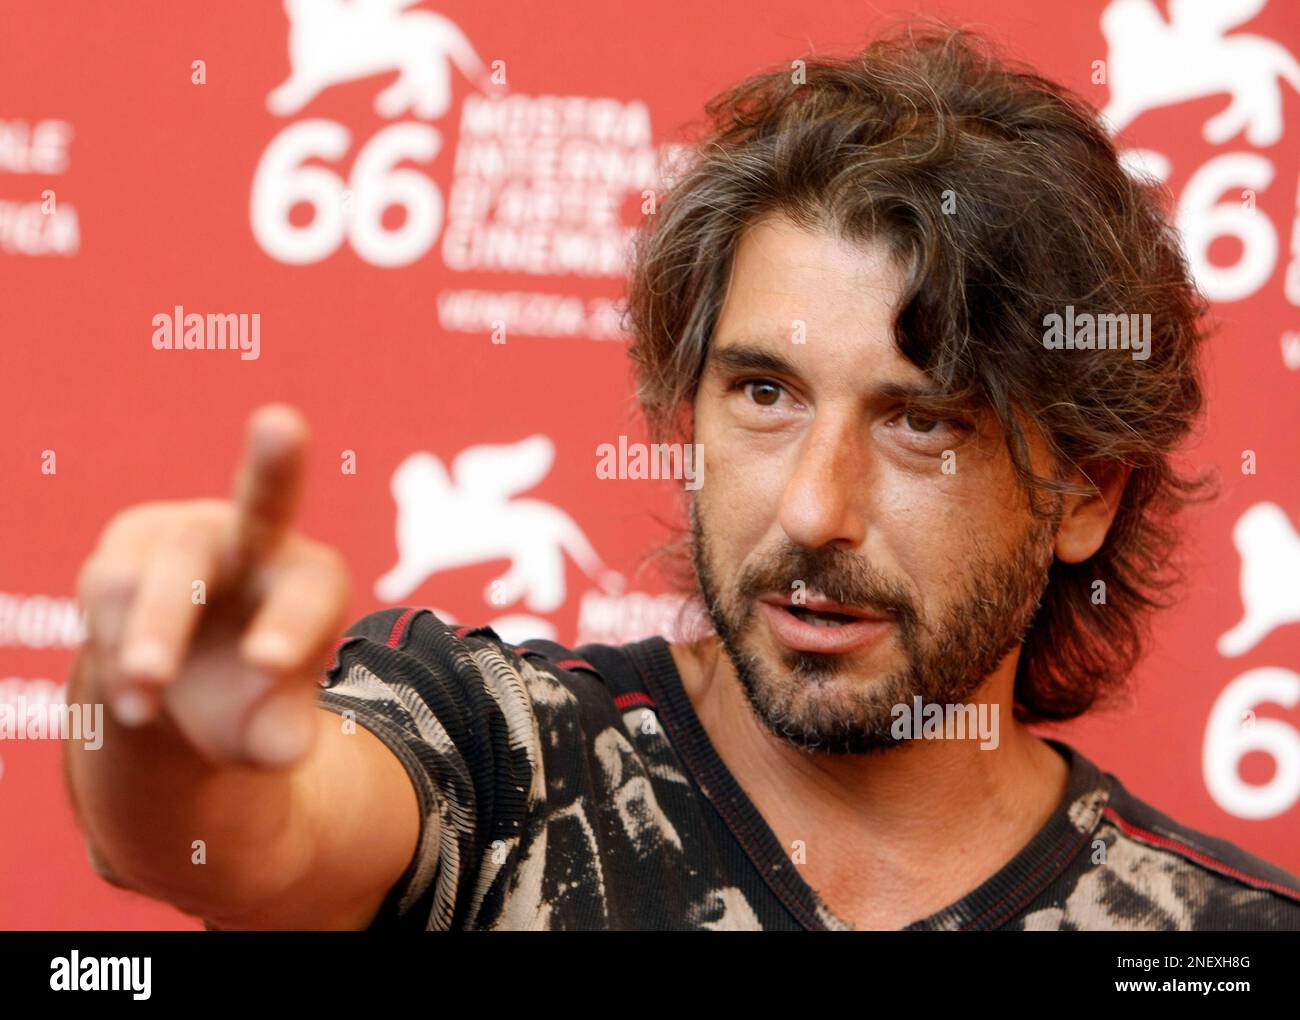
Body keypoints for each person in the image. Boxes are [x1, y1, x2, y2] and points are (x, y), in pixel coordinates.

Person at [64, 26, 1300, 930]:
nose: (816, 508)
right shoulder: (503, 762)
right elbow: (239, 841)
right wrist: (157, 732)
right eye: (763, 394)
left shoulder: (1213, 939)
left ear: (1085, 491)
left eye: (922, 425)